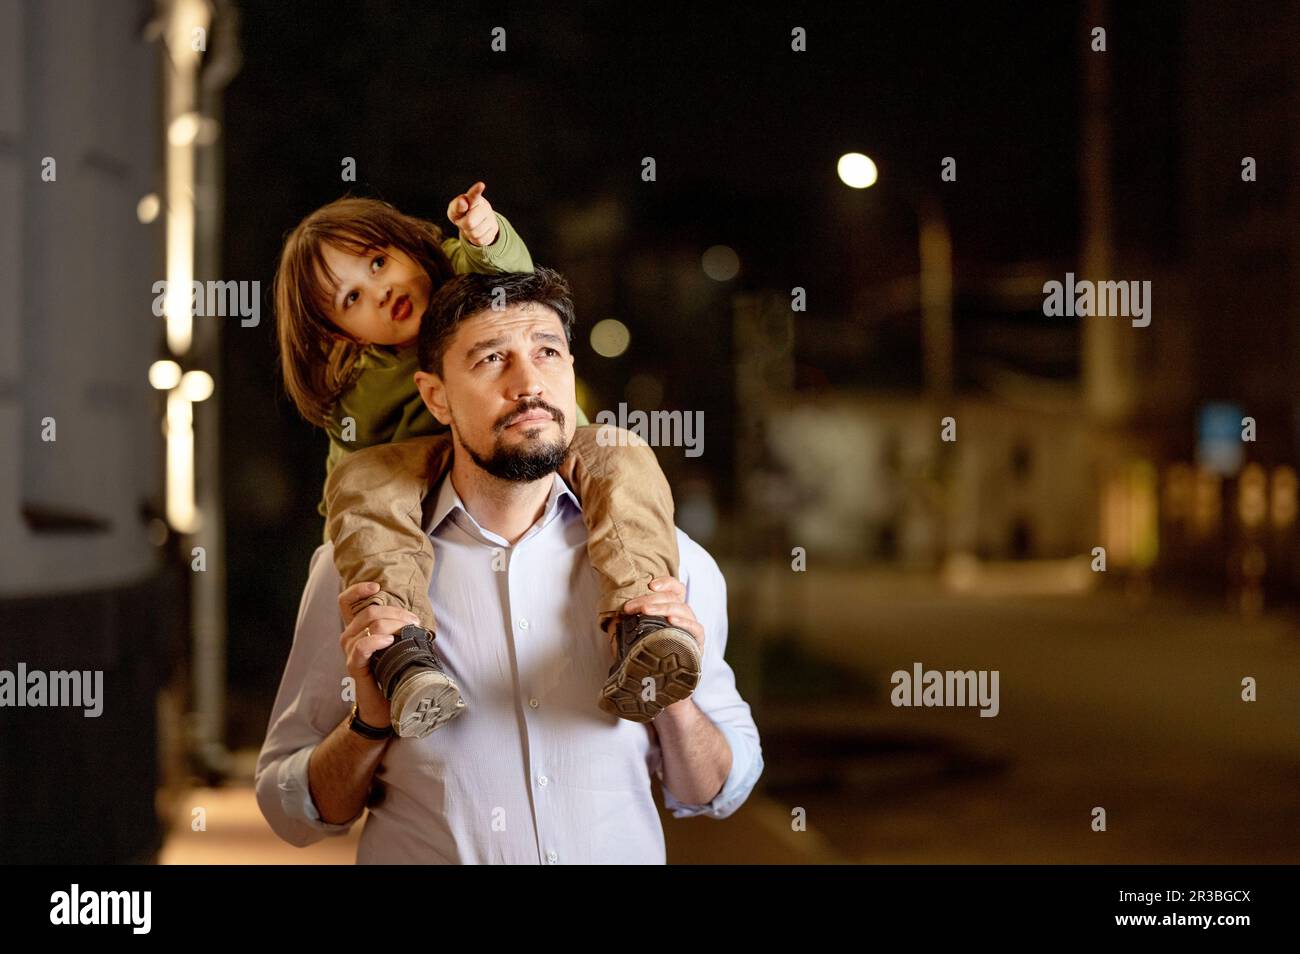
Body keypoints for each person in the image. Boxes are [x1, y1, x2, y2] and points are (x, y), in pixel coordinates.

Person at [256, 268, 762, 863]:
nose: (528, 383)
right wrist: (369, 724)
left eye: (547, 352)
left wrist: (673, 698)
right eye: (491, 359)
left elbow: (716, 790)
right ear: (435, 397)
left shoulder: (670, 565)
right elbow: (290, 808)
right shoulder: (355, 575)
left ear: (570, 371)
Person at [273, 191, 697, 739]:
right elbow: (349, 478)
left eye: (378, 263)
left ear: (408, 246)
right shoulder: (360, 387)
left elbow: (513, 275)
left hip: (536, 438)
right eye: (353, 297)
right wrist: (349, 535)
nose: (381, 292)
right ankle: (402, 652)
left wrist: (483, 233)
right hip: (424, 467)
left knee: (619, 452)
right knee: (358, 483)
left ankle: (646, 620)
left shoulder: (462, 275)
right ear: (343, 334)